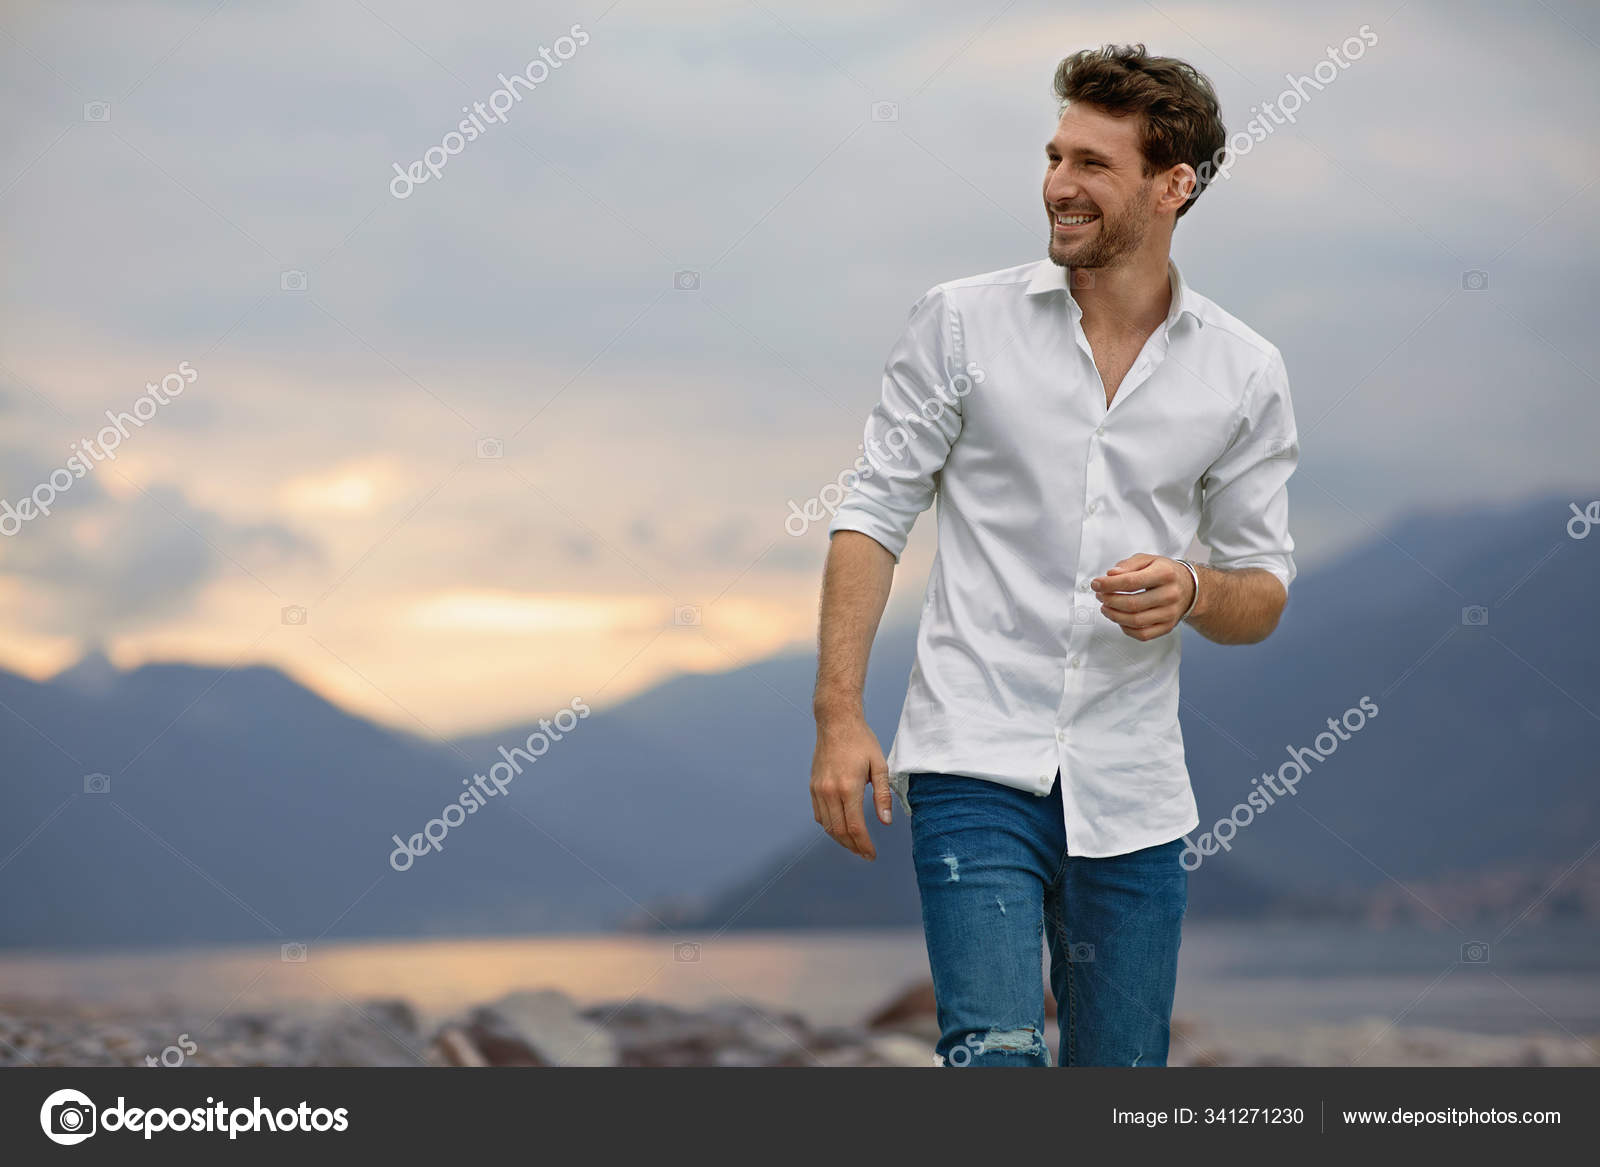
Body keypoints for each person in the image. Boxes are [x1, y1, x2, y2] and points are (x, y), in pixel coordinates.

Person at [809, 44, 1299, 1067]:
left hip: (1135, 789)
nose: (1058, 187)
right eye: (1055, 155)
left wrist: (1194, 589)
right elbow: (874, 509)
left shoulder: (1243, 371)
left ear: (1173, 186)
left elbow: (1260, 595)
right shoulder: (959, 322)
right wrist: (839, 713)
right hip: (970, 758)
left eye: (1092, 165)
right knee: (993, 1061)